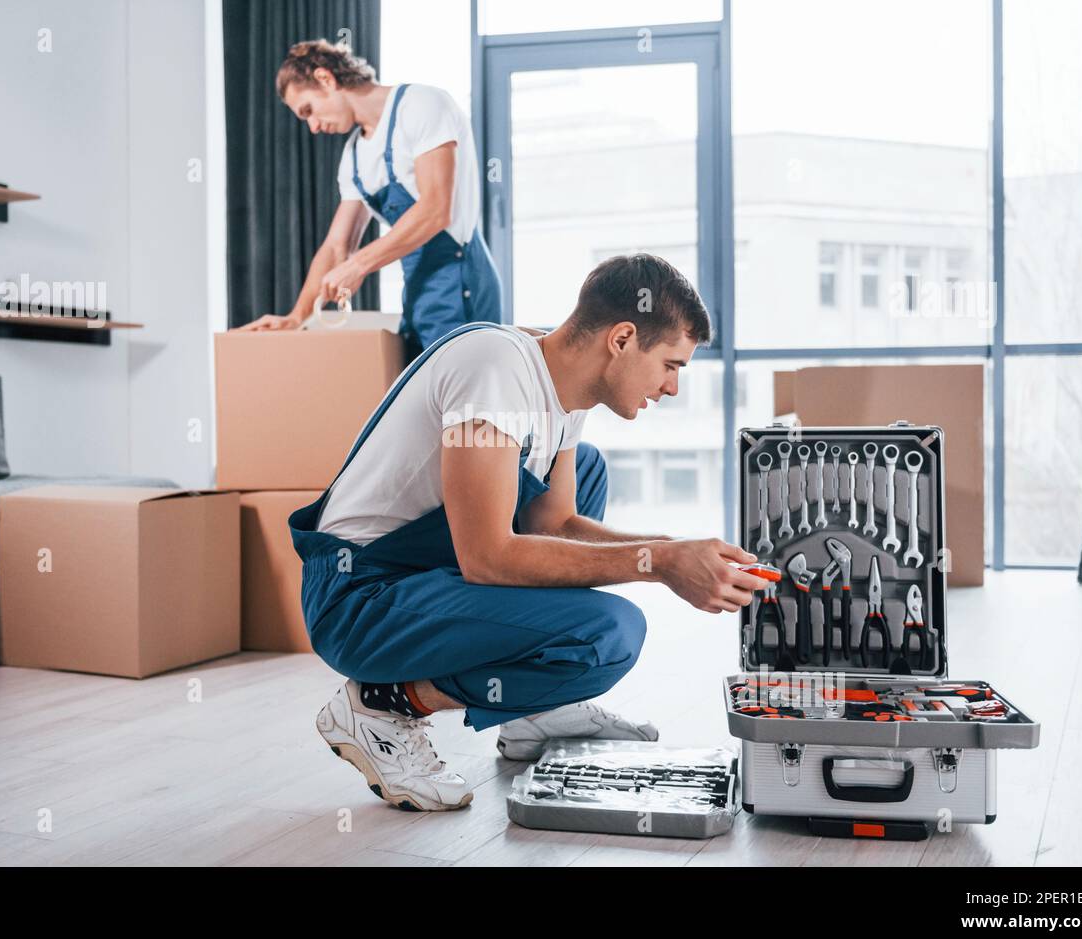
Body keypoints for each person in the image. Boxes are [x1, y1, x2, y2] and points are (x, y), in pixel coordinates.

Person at [289, 254, 770, 811]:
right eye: (671, 364)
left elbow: (555, 524)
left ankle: (531, 711)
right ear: (622, 338)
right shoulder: (495, 368)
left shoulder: (561, 392)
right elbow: (489, 558)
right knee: (605, 635)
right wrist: (659, 565)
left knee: (584, 467)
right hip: (362, 599)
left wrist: (669, 550)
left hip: (423, 577)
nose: (671, 388)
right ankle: (381, 705)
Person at [240, 39, 500, 361]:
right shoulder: (354, 156)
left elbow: (436, 210)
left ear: (325, 78)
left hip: (460, 283)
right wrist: (297, 317)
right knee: (425, 405)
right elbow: (337, 246)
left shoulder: (421, 106)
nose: (314, 127)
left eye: (309, 110)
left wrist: (359, 265)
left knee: (467, 407)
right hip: (418, 294)